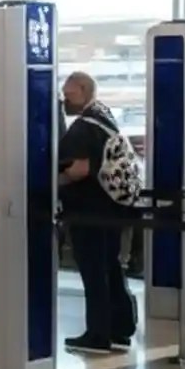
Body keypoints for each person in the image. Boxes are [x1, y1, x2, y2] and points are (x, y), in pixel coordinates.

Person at [58, 72, 137, 354]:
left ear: (82, 90)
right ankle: (120, 328)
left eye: (68, 94)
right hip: (112, 207)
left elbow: (79, 169)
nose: (64, 101)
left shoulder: (83, 128)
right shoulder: (105, 117)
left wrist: (56, 181)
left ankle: (98, 333)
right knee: (110, 266)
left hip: (88, 209)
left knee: (93, 269)